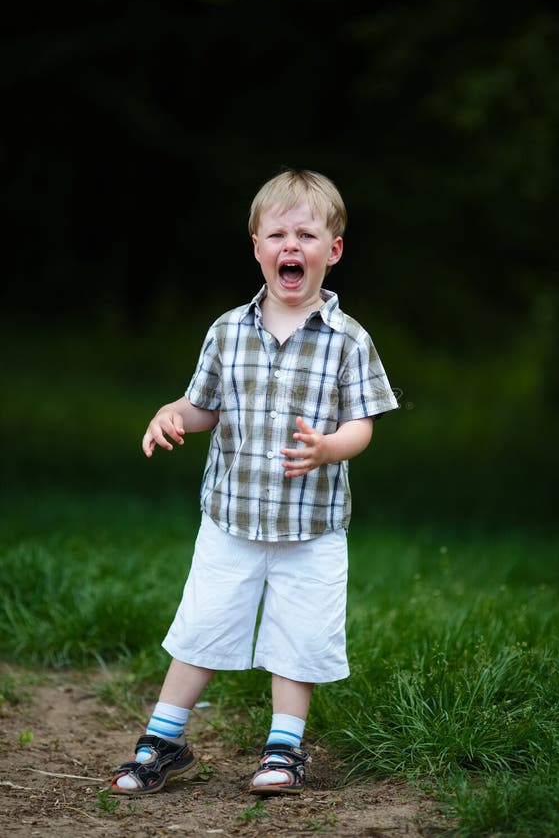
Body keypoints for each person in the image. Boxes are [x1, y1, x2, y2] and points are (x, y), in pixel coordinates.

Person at [110, 168, 398, 797]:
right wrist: (171, 414)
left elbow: (362, 424)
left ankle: (284, 749)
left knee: (300, 637)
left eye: (306, 235)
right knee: (203, 627)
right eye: (277, 235)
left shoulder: (349, 341)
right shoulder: (227, 331)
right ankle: (163, 742)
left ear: (332, 251)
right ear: (257, 247)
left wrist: (329, 447)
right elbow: (204, 406)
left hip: (311, 525)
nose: (291, 246)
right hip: (231, 519)